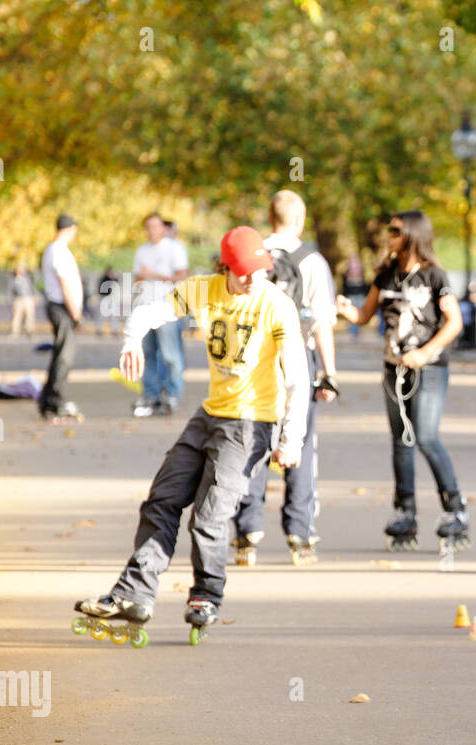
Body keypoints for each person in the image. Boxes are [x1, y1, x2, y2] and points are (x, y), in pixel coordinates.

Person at [71, 226, 309, 644]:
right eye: (243, 273)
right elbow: (151, 310)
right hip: (210, 415)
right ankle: (134, 595)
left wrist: (292, 438)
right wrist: (131, 340)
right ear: (224, 268)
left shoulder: (277, 305)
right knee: (162, 499)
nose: (252, 280)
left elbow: (297, 379)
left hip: (253, 424)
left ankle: (206, 594)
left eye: (259, 271)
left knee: (209, 516)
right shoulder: (204, 289)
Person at [335, 210, 470, 554]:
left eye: (395, 231)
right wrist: (342, 309)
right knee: (401, 440)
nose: (389, 236)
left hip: (429, 369)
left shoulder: (434, 276)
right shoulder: (385, 275)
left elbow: (453, 323)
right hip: (393, 369)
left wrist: (425, 353)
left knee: (425, 436)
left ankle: (455, 509)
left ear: (412, 234)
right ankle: (405, 511)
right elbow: (364, 315)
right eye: (389, 230)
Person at [231, 190, 340, 567]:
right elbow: (322, 320)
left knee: (254, 441)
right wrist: (328, 372)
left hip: (254, 358)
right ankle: (300, 533)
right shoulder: (311, 260)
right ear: (300, 219)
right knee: (301, 442)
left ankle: (247, 532)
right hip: (297, 355)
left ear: (270, 216)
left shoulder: (253, 254)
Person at [131, 213, 189, 416]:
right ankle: (151, 394)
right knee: (148, 354)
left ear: (163, 228)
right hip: (145, 306)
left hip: (168, 308)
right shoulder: (141, 251)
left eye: (156, 226)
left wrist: (153, 275)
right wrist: (143, 277)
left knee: (170, 355)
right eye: (148, 226)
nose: (152, 230)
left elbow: (182, 276)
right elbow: (137, 280)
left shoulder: (175, 248)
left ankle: (173, 395)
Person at [38, 213, 83, 421]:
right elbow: (65, 283)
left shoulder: (53, 250)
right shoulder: (58, 251)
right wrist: (75, 313)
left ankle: (48, 400)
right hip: (61, 307)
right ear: (70, 229)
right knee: (65, 356)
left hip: (59, 306)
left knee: (60, 354)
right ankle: (55, 400)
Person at [341, 255, 369, 341]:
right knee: (351, 313)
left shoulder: (361, 272)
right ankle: (353, 332)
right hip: (351, 296)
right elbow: (345, 286)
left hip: (359, 296)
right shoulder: (347, 273)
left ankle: (357, 331)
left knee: (358, 313)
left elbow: (364, 286)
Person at [9, 262, 38, 338]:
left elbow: (32, 288)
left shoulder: (27, 278)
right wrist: (12, 301)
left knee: (30, 315)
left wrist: (34, 296)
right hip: (19, 298)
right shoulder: (14, 279)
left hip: (28, 297)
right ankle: (15, 331)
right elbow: (10, 291)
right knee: (17, 316)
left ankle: (30, 330)